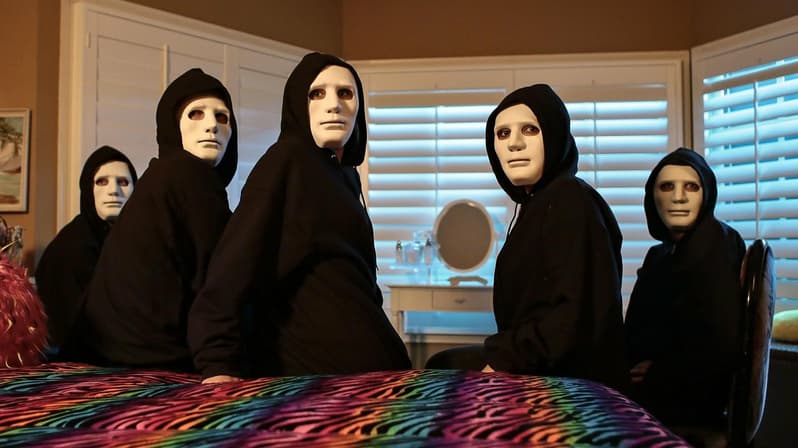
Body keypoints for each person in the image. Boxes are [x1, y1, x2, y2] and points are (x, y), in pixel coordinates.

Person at [188, 52, 411, 382]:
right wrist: (218, 363)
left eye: (345, 93)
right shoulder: (287, 162)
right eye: (317, 93)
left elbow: (356, 275)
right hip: (322, 372)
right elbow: (234, 264)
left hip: (374, 368)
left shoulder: (345, 175)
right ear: (297, 104)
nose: (333, 105)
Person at [426, 84, 628, 393]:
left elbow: (572, 316)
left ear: (555, 135)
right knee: (441, 368)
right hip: (540, 367)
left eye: (530, 129)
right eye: (503, 133)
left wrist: (502, 363)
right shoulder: (537, 205)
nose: (515, 144)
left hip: (568, 387)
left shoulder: (570, 199)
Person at [71, 68, 238, 370]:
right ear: (173, 125)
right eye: (196, 114)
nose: (211, 125)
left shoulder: (160, 176)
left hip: (106, 351)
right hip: (147, 358)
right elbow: (218, 283)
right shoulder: (187, 175)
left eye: (222, 117)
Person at [624, 147, 745, 427]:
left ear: (707, 194)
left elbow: (722, 344)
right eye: (667, 187)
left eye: (691, 187)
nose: (678, 197)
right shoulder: (660, 255)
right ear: (652, 197)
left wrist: (659, 372)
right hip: (648, 393)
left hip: (688, 402)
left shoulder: (720, 243)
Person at [35, 145, 137, 357]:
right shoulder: (72, 247)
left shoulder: (131, 239)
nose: (113, 191)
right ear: (87, 188)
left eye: (123, 182)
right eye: (102, 181)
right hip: (82, 354)